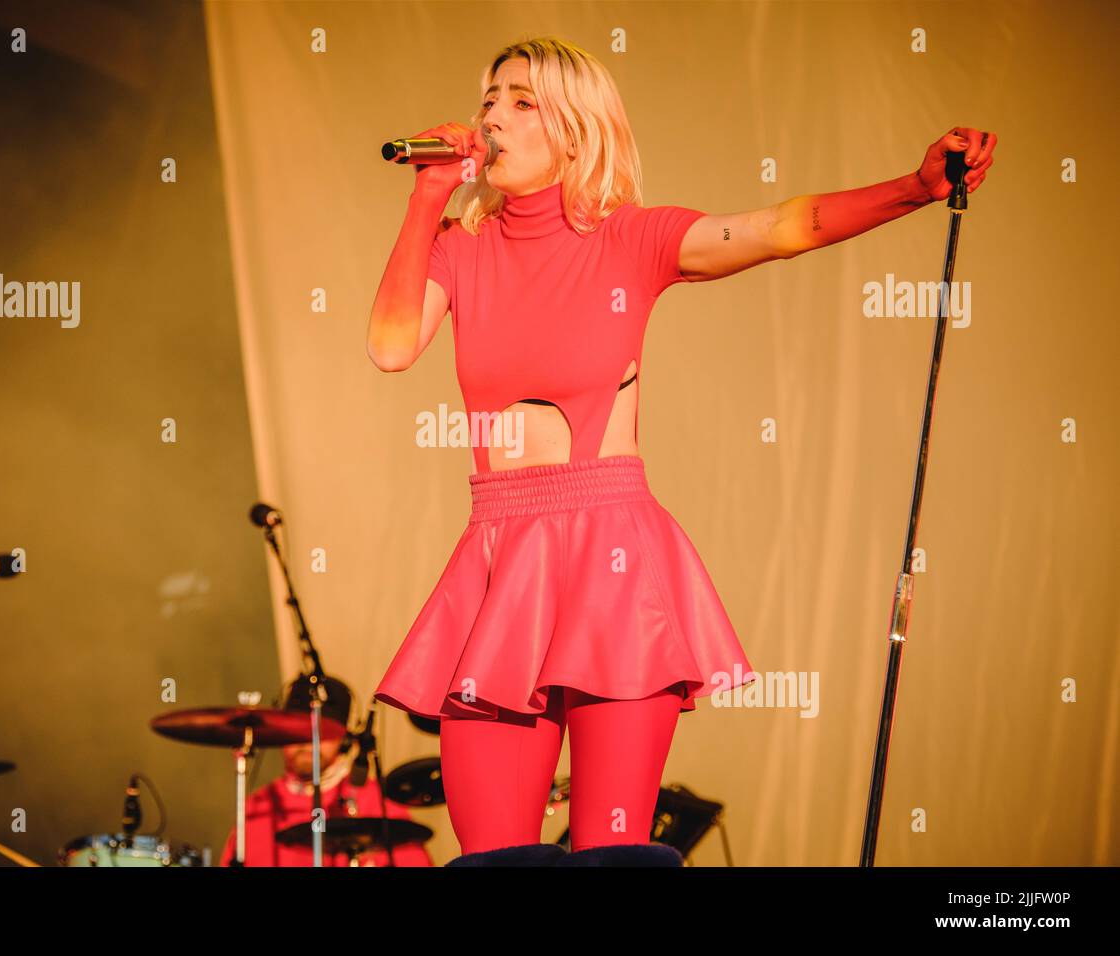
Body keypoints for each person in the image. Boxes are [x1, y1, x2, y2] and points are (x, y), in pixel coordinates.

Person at [367, 35, 996, 866]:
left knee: (612, 857)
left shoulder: (632, 239)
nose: (494, 116)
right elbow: (391, 346)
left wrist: (916, 188)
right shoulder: (460, 244)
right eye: (490, 100)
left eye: (523, 101)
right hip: (498, 561)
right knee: (492, 862)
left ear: (575, 130)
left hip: (613, 563)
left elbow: (780, 226)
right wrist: (428, 197)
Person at [218, 675, 433, 867]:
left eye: (321, 730)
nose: (308, 741)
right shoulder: (257, 809)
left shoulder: (379, 804)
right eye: (296, 729)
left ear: (346, 739)